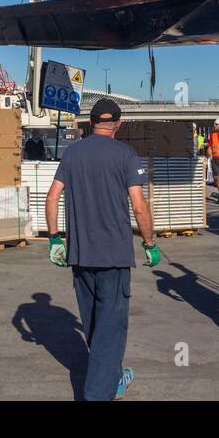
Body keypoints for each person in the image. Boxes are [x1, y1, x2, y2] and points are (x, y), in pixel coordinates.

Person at [45, 97, 158, 401]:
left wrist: (55, 239)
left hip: (80, 254)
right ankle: (100, 391)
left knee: (93, 320)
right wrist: (150, 243)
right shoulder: (126, 154)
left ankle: (110, 374)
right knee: (111, 325)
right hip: (114, 254)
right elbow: (138, 205)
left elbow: (52, 197)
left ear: (91, 123)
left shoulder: (72, 154)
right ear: (118, 124)